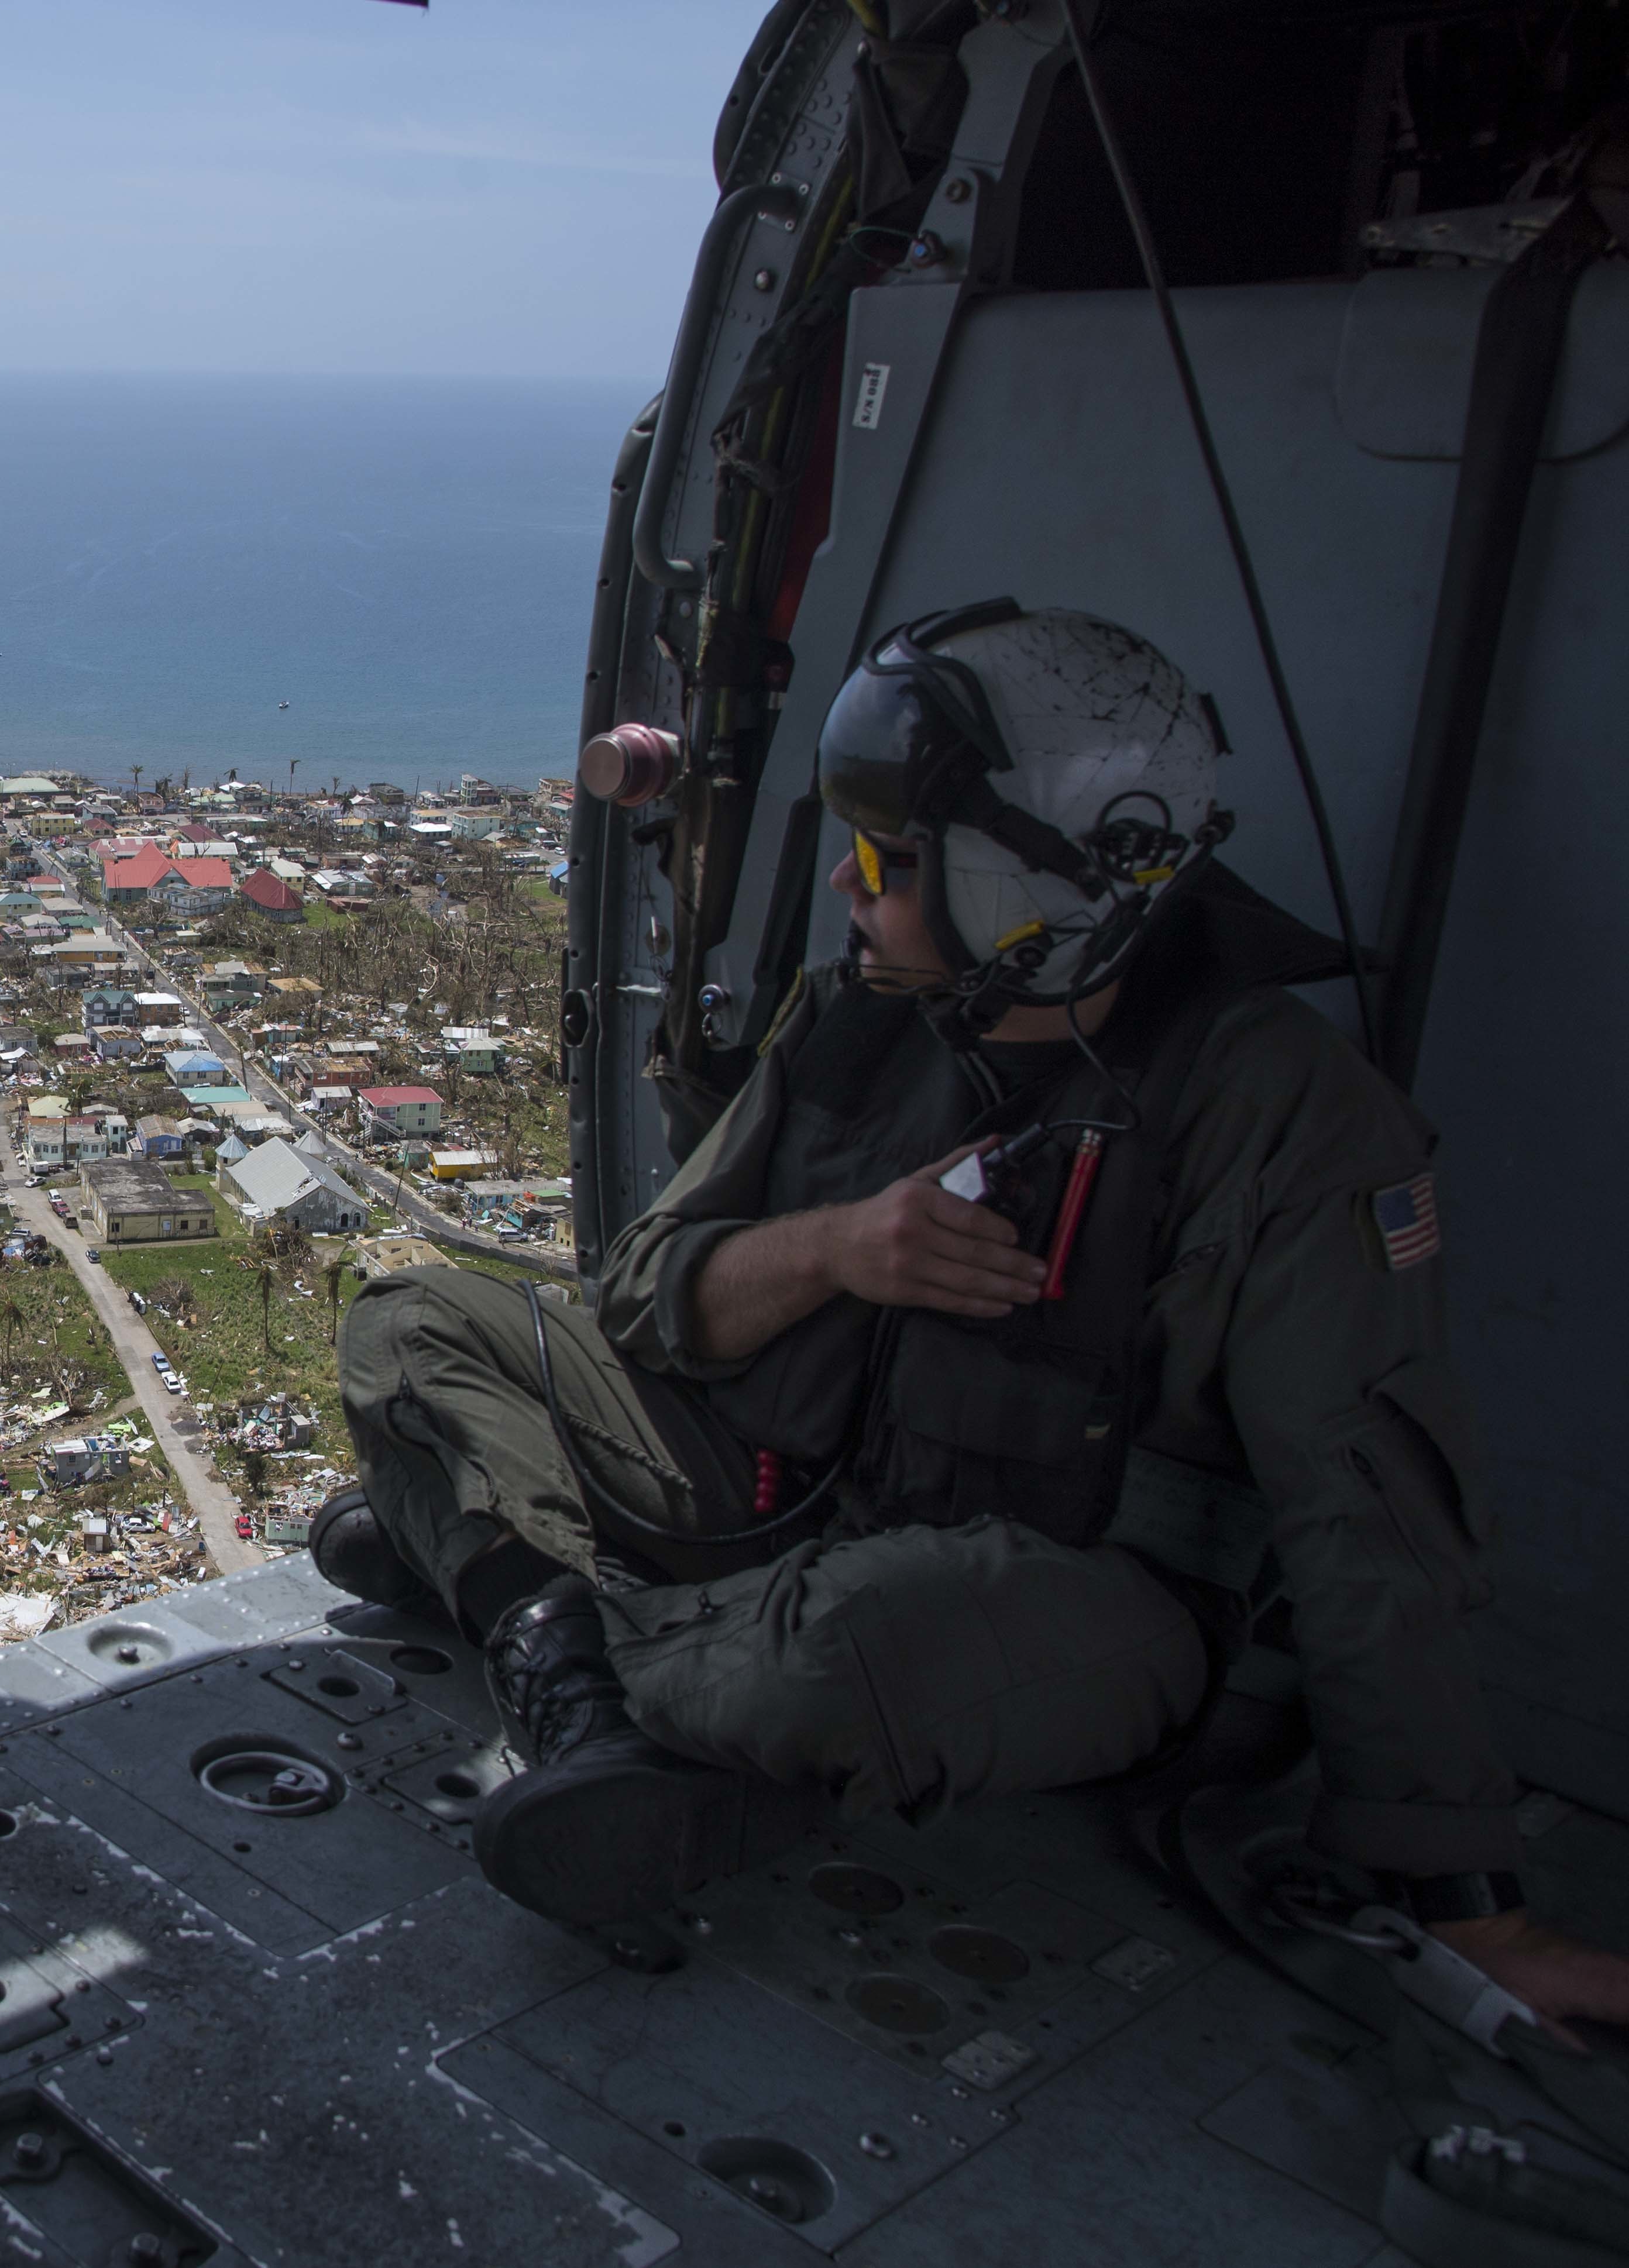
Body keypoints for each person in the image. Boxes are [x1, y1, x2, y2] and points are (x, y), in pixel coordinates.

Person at [321, 603, 1629, 2030]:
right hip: (781, 1485)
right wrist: (838, 1248)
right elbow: (643, 1295)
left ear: (1029, 888)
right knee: (413, 1321)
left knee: (840, 1651)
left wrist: (1466, 1901)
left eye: (889, 858)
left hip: (1068, 1591)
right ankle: (587, 1666)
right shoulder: (860, 1013)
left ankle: (522, 1590)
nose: (846, 881)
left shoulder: (1280, 1113)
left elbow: (1366, 1510)